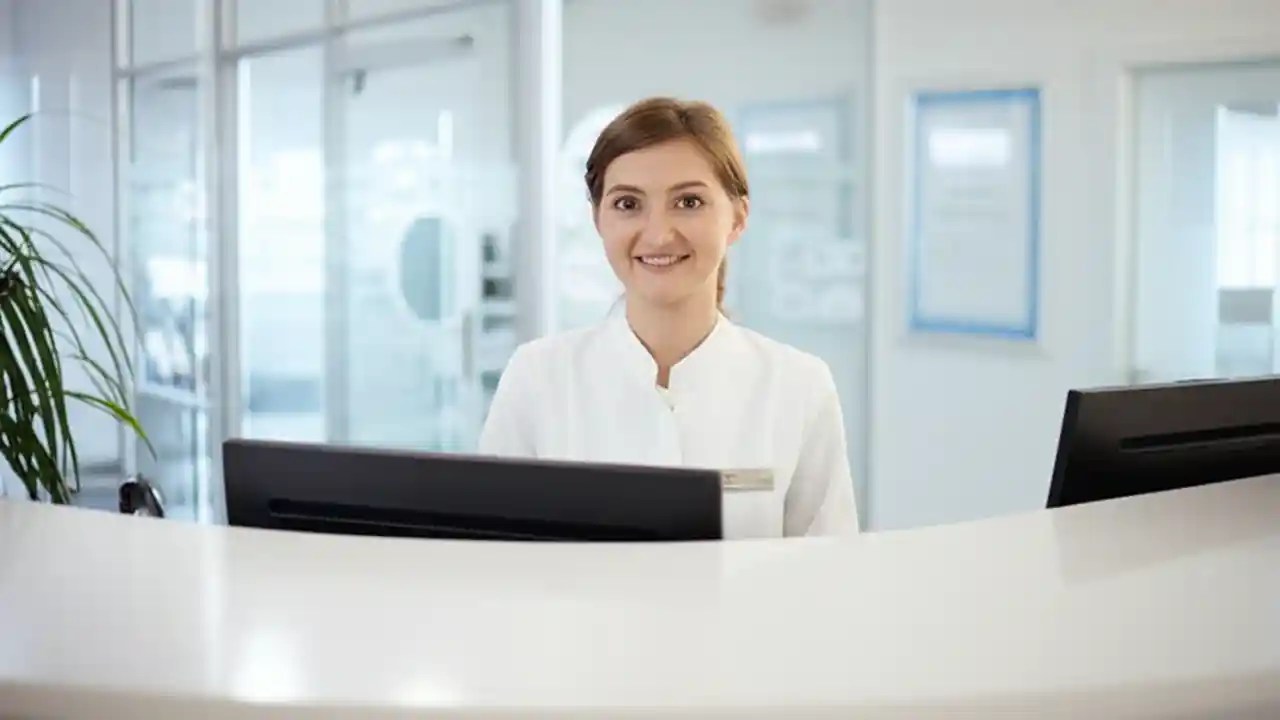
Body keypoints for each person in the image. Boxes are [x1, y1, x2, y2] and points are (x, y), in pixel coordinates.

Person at [479, 97, 858, 538]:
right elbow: (495, 566)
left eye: (689, 201)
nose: (658, 234)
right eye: (627, 204)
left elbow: (828, 578)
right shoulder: (537, 377)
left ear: (737, 218)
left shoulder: (800, 386)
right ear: (598, 220)